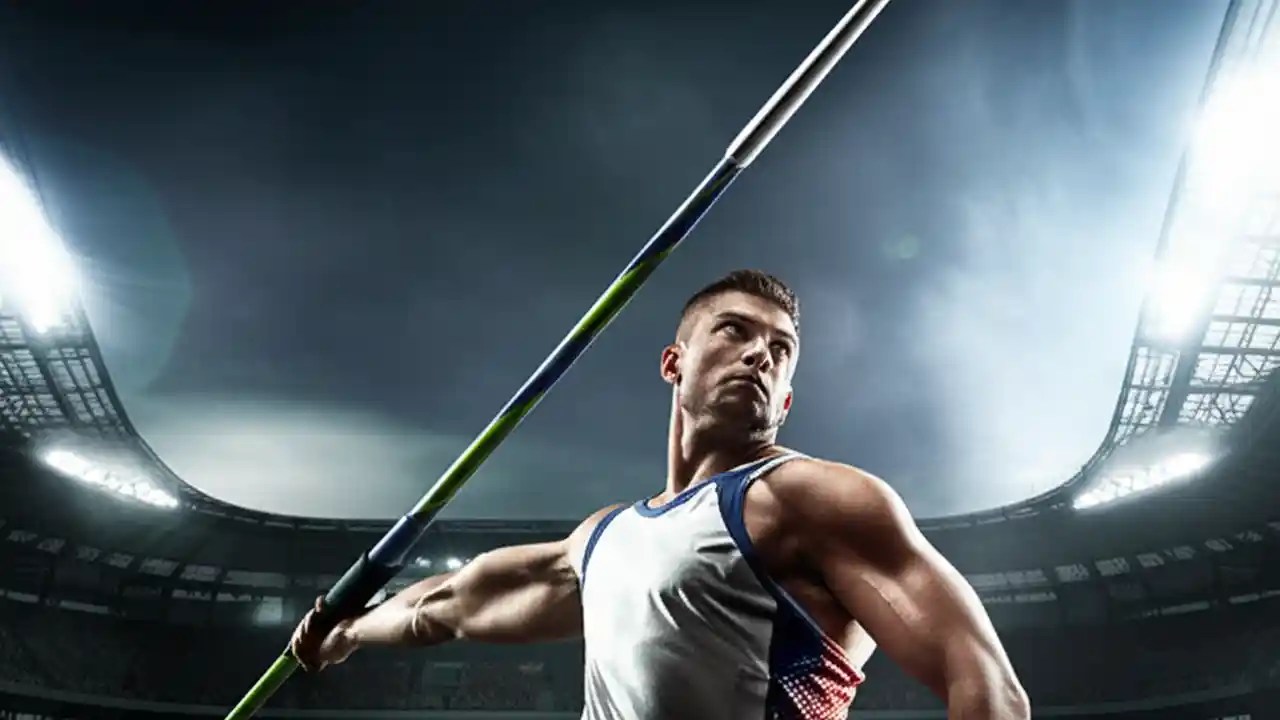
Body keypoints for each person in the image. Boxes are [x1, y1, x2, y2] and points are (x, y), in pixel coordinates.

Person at [291, 269, 1031, 719]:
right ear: (674, 363)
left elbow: (987, 684)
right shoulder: (604, 540)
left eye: (780, 351)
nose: (758, 355)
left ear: (788, 400)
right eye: (734, 331)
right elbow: (452, 603)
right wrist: (346, 632)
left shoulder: (815, 499)